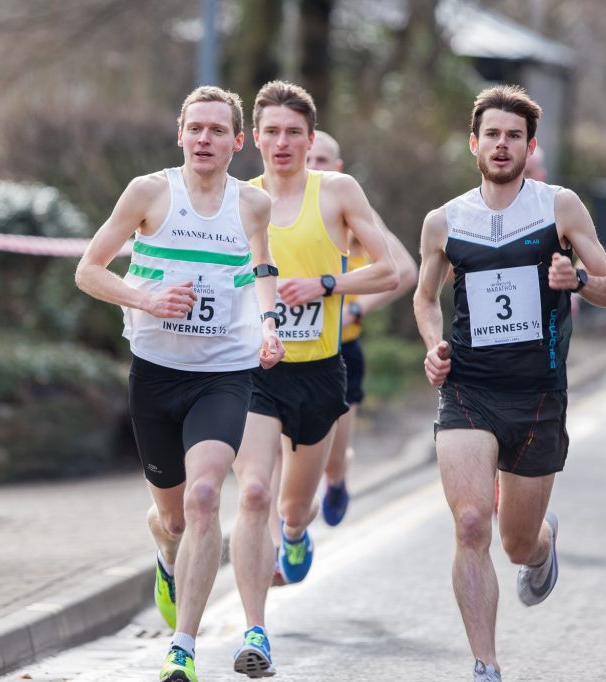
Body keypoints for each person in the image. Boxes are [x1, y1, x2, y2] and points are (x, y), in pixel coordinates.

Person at [413, 84, 606, 682]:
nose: (502, 146)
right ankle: (486, 664)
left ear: (531, 147)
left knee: (515, 542)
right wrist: (434, 348)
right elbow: (425, 300)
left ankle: (542, 550)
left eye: (514, 137)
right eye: (492, 136)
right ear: (472, 143)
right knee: (471, 522)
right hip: (468, 391)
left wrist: (576, 278)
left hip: (536, 396)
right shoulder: (444, 221)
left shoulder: (560, 208)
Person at [75, 85, 284, 682]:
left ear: (237, 142)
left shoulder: (252, 206)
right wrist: (147, 298)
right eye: (196, 128)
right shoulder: (149, 193)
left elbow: (261, 267)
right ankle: (168, 558)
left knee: (203, 499)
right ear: (180, 134)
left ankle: (183, 649)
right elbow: (88, 270)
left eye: (218, 131)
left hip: (224, 372)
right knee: (172, 519)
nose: (205, 139)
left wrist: (268, 322)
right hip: (157, 373)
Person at [229, 80, 398, 677]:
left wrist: (327, 286)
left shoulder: (337, 192)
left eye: (293, 132)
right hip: (250, 372)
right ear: (253, 138)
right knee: (252, 493)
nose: (282, 142)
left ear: (310, 138)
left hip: (320, 373)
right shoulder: (234, 198)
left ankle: (296, 534)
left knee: (292, 507)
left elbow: (392, 269)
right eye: (270, 131)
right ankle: (255, 630)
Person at [305, 130, 418, 526]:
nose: (312, 167)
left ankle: (337, 481)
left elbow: (405, 270)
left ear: (336, 169)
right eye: (308, 158)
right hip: (288, 352)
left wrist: (356, 308)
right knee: (283, 451)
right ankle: (286, 531)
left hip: (340, 351)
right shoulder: (273, 207)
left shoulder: (348, 212)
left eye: (322, 161)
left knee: (332, 458)